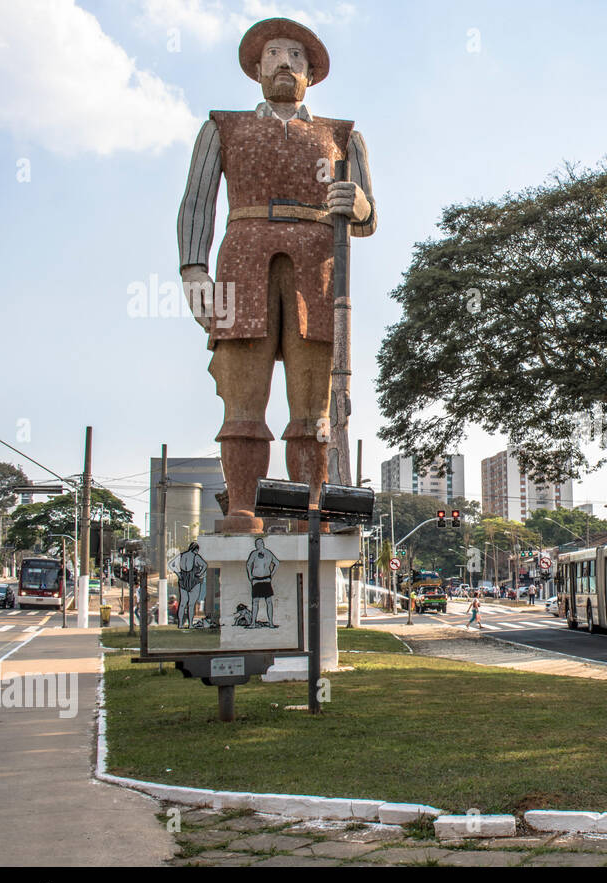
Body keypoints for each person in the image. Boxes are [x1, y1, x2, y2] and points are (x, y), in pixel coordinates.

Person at [178, 17, 377, 530]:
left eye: (295, 55)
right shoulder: (223, 128)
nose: (284, 62)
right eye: (273, 54)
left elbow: (369, 218)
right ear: (257, 68)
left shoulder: (342, 136)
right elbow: (197, 202)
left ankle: (309, 507)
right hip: (243, 262)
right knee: (242, 396)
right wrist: (193, 270)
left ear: (311, 72)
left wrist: (357, 205)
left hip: (319, 271)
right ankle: (243, 504)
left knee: (314, 408)